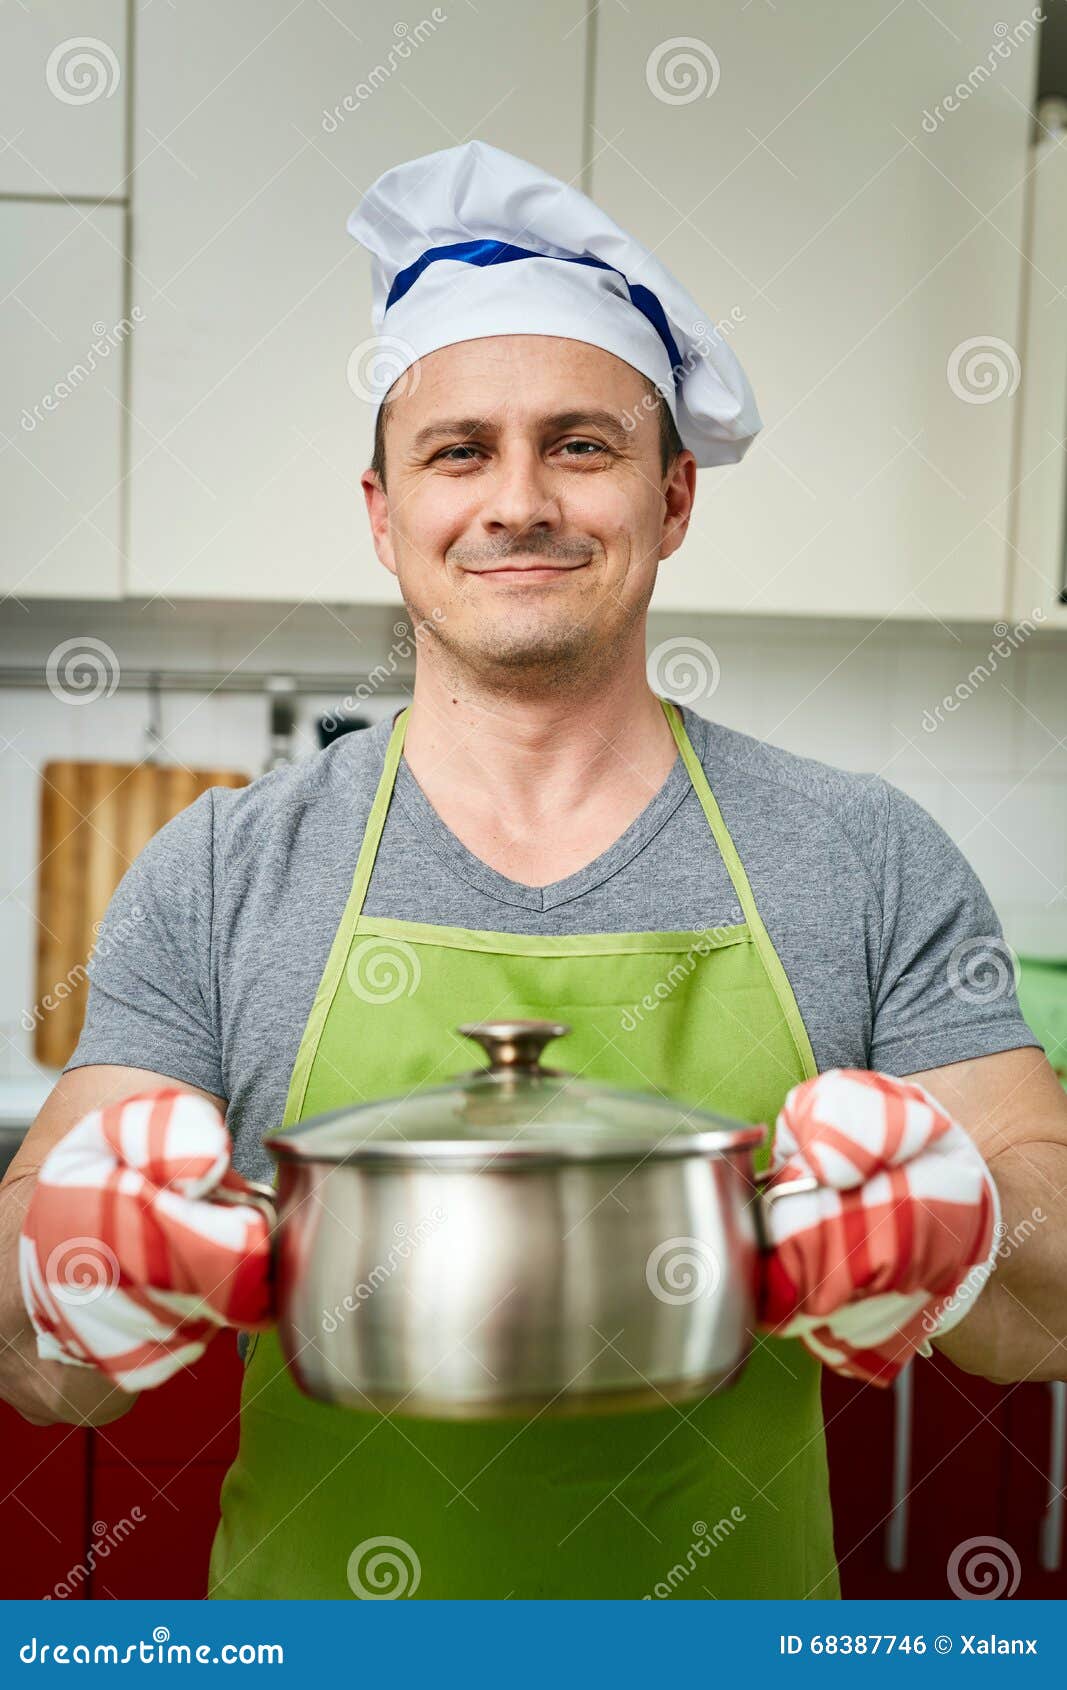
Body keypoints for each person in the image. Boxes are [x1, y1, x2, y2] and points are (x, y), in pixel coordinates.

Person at [4, 141, 1066, 1602]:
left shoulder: (860, 852)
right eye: (458, 450)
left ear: (673, 496)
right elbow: (46, 1368)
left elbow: (1045, 1308)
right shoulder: (224, 871)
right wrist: (63, 1268)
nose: (519, 501)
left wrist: (975, 1212)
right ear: (384, 513)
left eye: (580, 443)